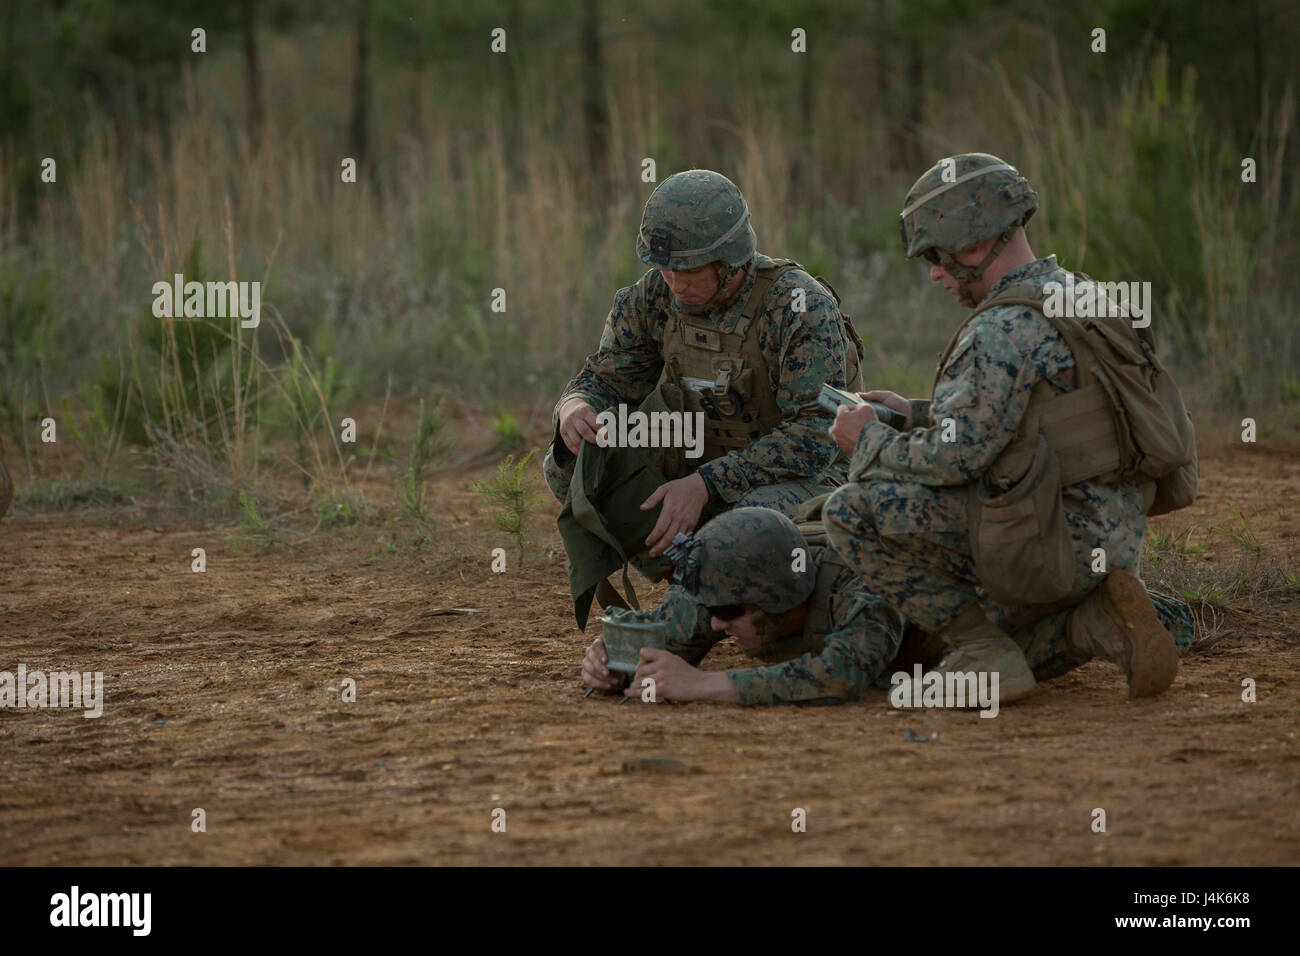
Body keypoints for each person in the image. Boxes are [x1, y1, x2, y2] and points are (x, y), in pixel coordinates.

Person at [822, 152, 1196, 703]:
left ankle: (984, 659)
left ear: (973, 245)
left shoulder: (997, 329)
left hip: (1046, 541)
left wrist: (869, 441)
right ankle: (1093, 622)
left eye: (938, 257)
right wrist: (914, 414)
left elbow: (953, 462)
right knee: (992, 623)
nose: (935, 274)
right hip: (1112, 535)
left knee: (850, 512)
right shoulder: (1086, 296)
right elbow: (1036, 418)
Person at [545, 169, 862, 562]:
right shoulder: (654, 296)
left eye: (691, 269)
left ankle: (732, 570)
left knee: (749, 529)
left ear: (730, 260)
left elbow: (815, 438)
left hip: (802, 475)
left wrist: (707, 485)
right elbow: (608, 379)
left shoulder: (797, 306)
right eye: (666, 268)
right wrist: (574, 406)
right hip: (697, 458)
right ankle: (682, 564)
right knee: (572, 461)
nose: (676, 284)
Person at [578, 506, 1198, 705]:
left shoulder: (862, 585)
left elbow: (847, 672)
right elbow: (664, 644)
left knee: (970, 674)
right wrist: (613, 668)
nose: (717, 623)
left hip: (971, 607)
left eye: (732, 614)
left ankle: (1103, 622)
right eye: (714, 610)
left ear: (781, 600)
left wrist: (704, 685)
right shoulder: (727, 585)